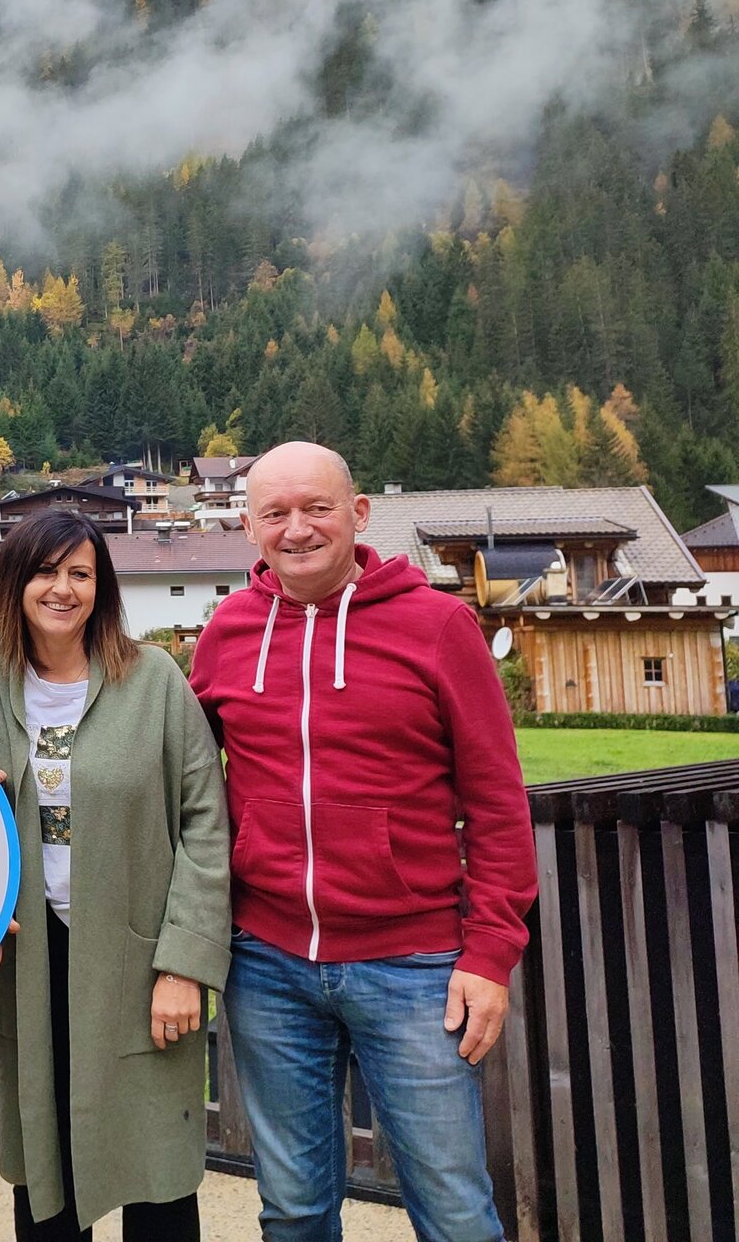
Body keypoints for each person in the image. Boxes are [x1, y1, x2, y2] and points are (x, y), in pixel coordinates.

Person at [189, 442, 538, 1242]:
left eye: (317, 508)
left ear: (359, 514)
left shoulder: (439, 626)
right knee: (293, 1209)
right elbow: (177, 773)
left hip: (414, 967)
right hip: (267, 962)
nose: (298, 529)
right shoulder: (229, 631)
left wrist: (491, 954)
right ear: (249, 527)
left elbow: (495, 800)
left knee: (453, 1210)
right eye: (276, 513)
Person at [0, 510, 230, 1242]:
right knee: (46, 1169)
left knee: (155, 1170)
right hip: (33, 963)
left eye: (80, 573)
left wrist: (184, 964)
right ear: (15, 584)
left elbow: (206, 823)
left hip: (137, 958)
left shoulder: (154, 682)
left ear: (101, 587)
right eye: (45, 572)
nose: (63, 588)